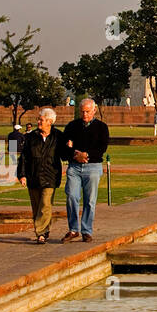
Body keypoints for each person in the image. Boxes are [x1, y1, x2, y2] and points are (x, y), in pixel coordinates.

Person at [58, 98, 109, 243]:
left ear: (94, 111)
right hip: (74, 167)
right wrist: (75, 155)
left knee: (90, 201)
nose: (85, 114)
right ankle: (73, 229)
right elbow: (64, 146)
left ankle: (86, 230)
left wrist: (86, 155)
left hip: (92, 167)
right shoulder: (72, 126)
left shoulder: (101, 127)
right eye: (82, 111)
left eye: (87, 111)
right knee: (72, 196)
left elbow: (102, 148)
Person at [17, 107, 64, 244]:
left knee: (45, 204)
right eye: (39, 119)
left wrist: (70, 147)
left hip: (50, 176)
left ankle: (40, 233)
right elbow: (24, 157)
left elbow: (64, 154)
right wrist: (22, 175)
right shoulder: (31, 137)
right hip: (33, 175)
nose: (38, 122)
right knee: (37, 206)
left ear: (49, 122)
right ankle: (44, 231)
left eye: (41, 120)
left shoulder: (57, 136)